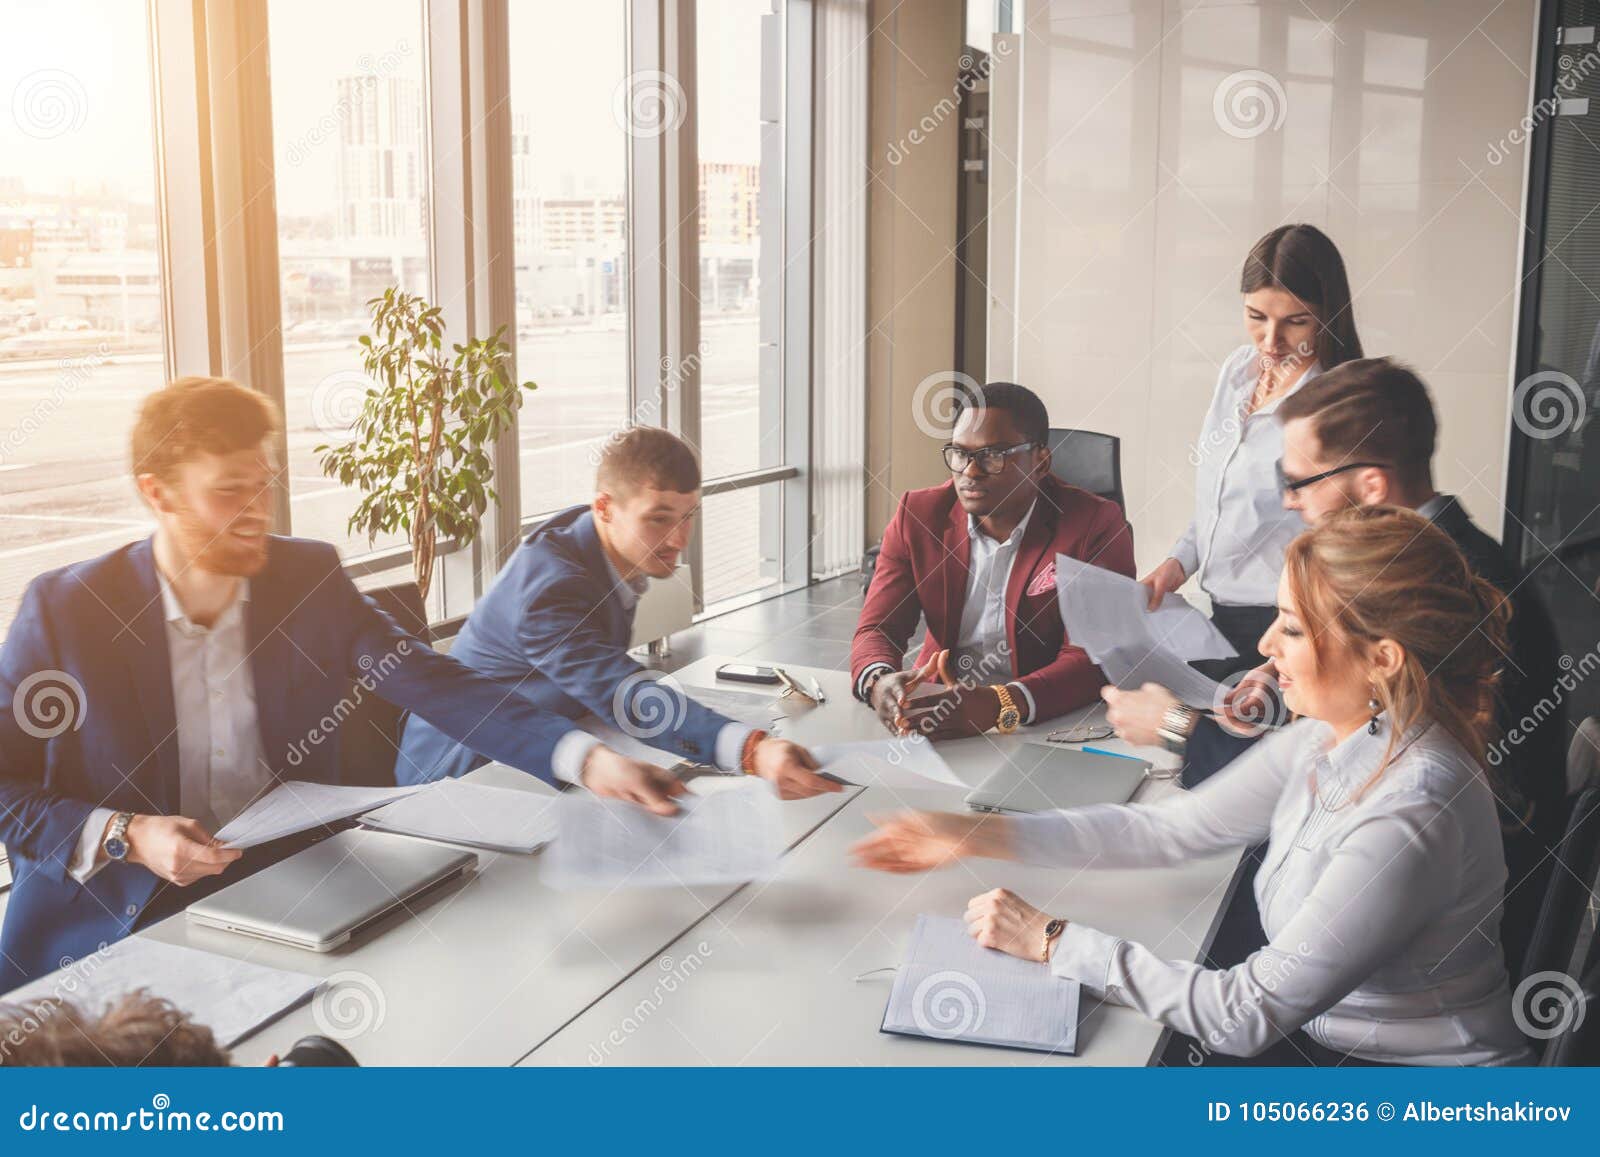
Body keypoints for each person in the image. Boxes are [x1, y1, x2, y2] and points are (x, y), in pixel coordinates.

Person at [0, 378, 680, 991]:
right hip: (109, 921)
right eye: (229, 491)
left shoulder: (305, 577)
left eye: (263, 485)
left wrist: (584, 758)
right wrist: (126, 832)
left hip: (285, 891)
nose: (257, 509)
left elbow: (434, 681)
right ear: (158, 492)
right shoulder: (68, 612)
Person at [854, 507, 1533, 1066]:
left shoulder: (1413, 806)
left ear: (1382, 659)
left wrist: (1053, 939)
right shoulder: (1334, 733)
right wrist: (976, 832)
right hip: (1329, 1044)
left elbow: (1239, 1015)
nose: (1266, 645)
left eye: (1292, 628)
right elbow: (1171, 829)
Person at [1107, 358, 1566, 969]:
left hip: (1425, 947)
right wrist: (1281, 676)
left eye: (1299, 482)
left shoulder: (1447, 598)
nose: (1291, 502)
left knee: (1158, 939)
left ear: (1371, 487)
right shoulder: (1434, 563)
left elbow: (1347, 779)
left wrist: (1176, 728)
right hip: (1404, 898)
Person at [398, 426, 838, 799]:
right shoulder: (550, 588)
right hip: (463, 774)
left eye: (688, 517)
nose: (679, 539)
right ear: (605, 508)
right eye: (659, 519)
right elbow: (620, 694)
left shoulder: (596, 537)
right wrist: (751, 750)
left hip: (547, 746)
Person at [850, 381, 1134, 738]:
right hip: (941, 709)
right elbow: (879, 628)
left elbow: (1092, 656)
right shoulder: (918, 516)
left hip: (1050, 715)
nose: (970, 471)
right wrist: (879, 681)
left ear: (1041, 462)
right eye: (959, 452)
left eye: (993, 455)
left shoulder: (1095, 524)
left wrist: (1000, 704)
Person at [1140, 224, 1362, 674]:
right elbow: (1218, 495)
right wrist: (1178, 563)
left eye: (1295, 321)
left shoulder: (1334, 404)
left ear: (1327, 316)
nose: (1271, 340)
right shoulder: (1238, 371)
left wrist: (1295, 633)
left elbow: (1344, 539)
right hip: (1218, 612)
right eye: (1256, 316)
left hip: (1287, 622)